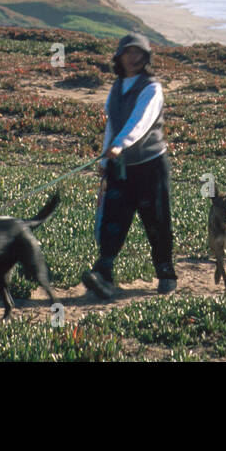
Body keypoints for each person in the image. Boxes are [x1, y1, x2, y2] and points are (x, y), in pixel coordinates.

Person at [81, 33, 177, 300]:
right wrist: (104, 159)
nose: (133, 58)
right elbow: (112, 123)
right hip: (120, 166)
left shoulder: (152, 87)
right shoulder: (116, 87)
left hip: (150, 165)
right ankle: (104, 272)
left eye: (138, 53)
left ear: (145, 57)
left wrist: (121, 144)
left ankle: (166, 273)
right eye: (128, 53)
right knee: (113, 218)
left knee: (156, 220)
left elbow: (142, 120)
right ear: (119, 57)